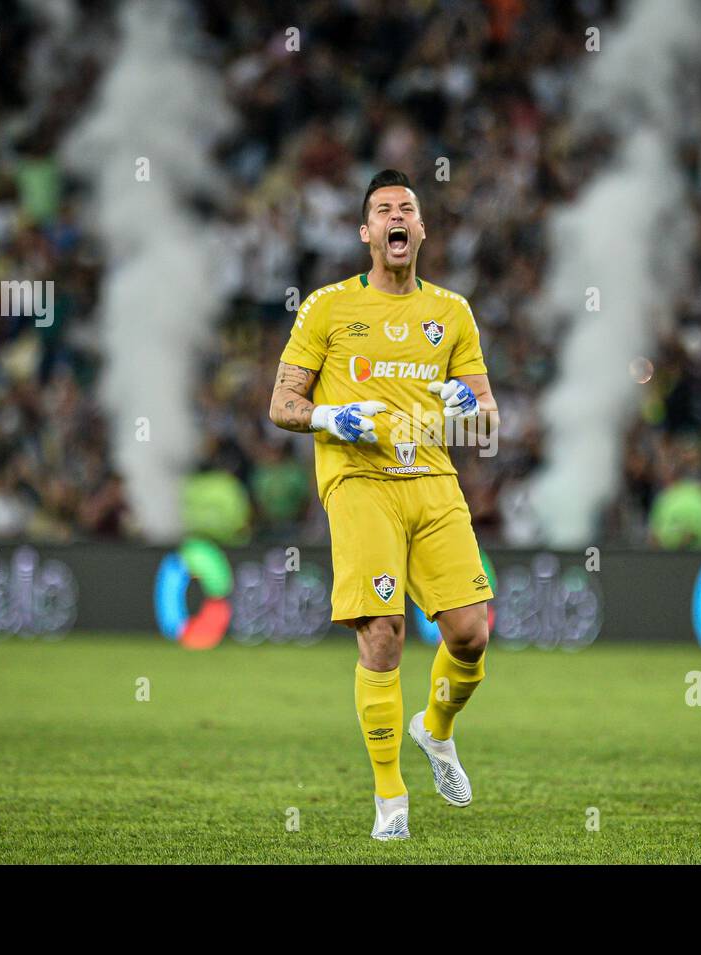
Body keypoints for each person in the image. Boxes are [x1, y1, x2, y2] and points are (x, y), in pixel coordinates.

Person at [268, 169, 499, 840]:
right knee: (384, 633)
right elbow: (281, 403)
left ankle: (436, 728)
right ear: (367, 232)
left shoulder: (451, 312)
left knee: (469, 634)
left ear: (420, 230)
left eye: (407, 207)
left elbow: (488, 410)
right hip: (361, 483)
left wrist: (471, 406)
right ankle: (390, 797)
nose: (396, 216)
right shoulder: (328, 306)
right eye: (383, 210)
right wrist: (332, 418)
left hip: (433, 481)